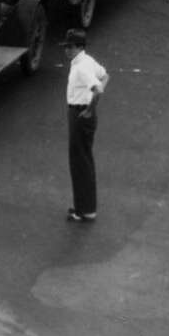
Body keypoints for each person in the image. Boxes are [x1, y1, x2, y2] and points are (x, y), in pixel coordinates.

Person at [63, 29, 108, 222]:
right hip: (83, 112)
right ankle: (85, 206)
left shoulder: (81, 67)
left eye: (70, 46)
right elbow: (105, 76)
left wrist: (89, 108)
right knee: (84, 159)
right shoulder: (87, 61)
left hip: (79, 113)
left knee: (79, 161)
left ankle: (85, 210)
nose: (66, 50)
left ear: (79, 47)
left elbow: (97, 90)